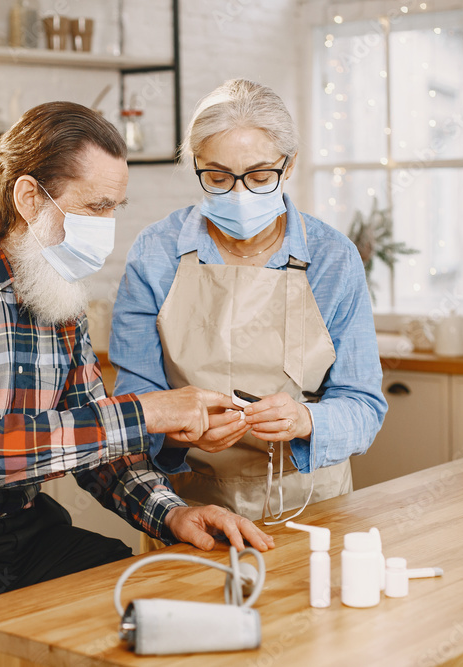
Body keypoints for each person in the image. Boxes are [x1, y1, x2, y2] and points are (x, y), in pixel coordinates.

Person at [0, 101, 273, 667]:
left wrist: (171, 513)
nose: (108, 225)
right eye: (96, 206)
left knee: (156, 612)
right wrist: (151, 412)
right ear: (29, 198)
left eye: (115, 207)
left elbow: (95, 444)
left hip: (25, 534)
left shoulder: (56, 290)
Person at [110, 79, 387, 522]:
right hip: (188, 509)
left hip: (313, 505)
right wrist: (185, 432)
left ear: (290, 165)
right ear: (196, 165)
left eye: (260, 177)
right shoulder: (156, 252)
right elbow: (133, 403)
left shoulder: (333, 257)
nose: (239, 195)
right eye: (217, 178)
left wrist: (305, 421)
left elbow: (363, 404)